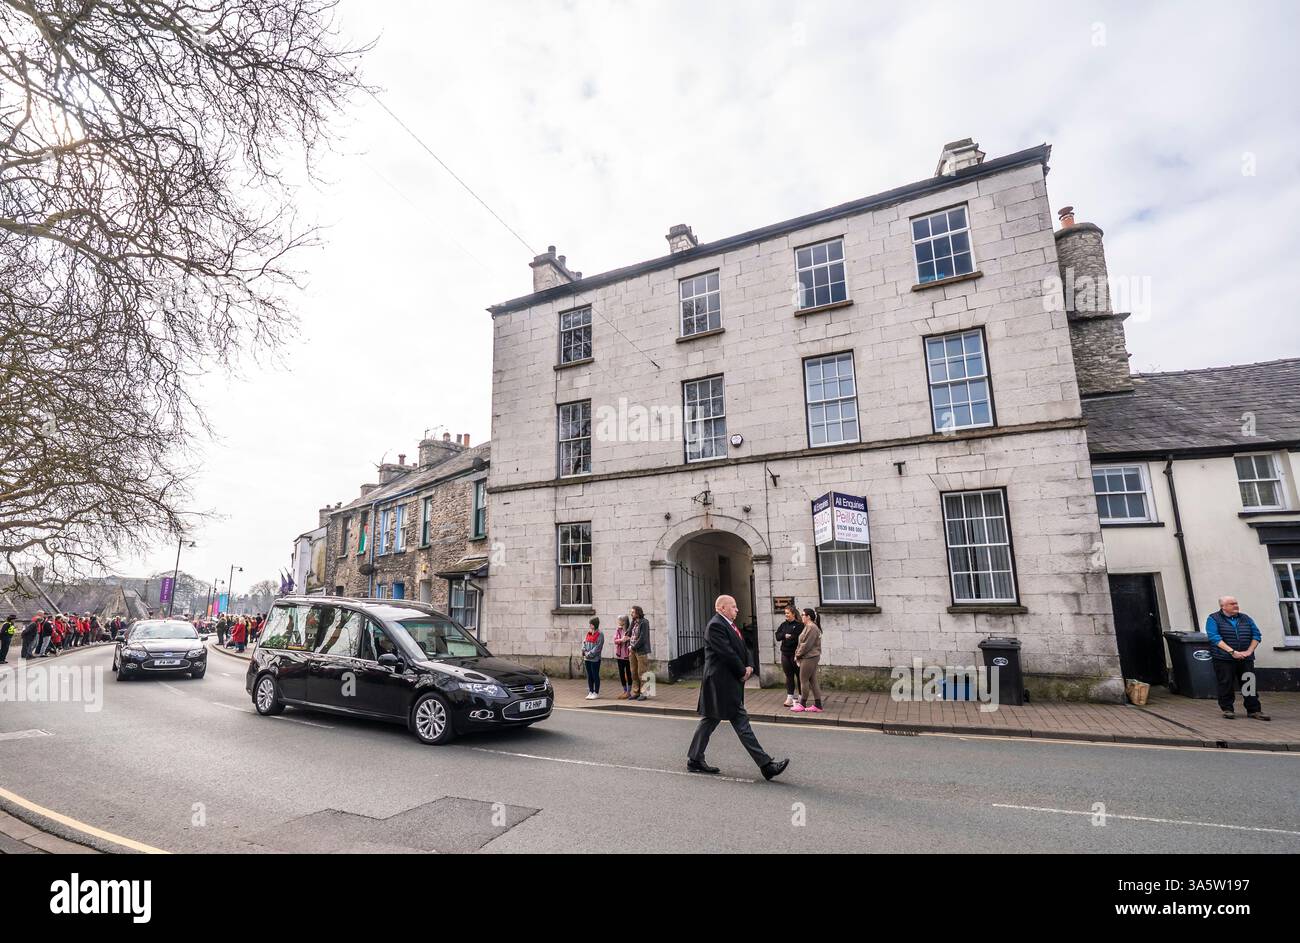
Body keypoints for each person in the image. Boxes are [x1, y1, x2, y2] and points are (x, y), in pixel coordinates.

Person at [687, 594, 789, 781]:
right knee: (741, 723)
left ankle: (694, 759)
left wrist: (750, 665)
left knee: (709, 720)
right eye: (733, 606)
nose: (737, 609)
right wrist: (742, 671)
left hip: (726, 683)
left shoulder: (731, 625)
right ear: (722, 608)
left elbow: (744, 648)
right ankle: (766, 765)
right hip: (721, 684)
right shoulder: (716, 625)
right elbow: (727, 653)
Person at [1206, 596, 1269, 721]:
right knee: (1226, 683)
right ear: (1223, 607)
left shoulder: (1245, 618)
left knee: (1249, 684)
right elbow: (1214, 637)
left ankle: (1254, 710)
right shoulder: (1213, 619)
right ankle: (1227, 709)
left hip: (1245, 657)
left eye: (1236, 603)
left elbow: (1256, 635)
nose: (1236, 605)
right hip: (1223, 658)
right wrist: (1232, 651)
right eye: (1231, 604)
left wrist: (1249, 651)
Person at [791, 608, 824, 713]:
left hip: (809, 657)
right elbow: (802, 643)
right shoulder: (809, 627)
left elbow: (806, 645)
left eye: (803, 614)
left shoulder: (811, 627)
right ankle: (818, 705)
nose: (801, 616)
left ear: (808, 616)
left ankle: (802, 704)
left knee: (803, 680)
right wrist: (798, 653)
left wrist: (797, 655)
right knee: (812, 680)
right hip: (811, 656)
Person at [775, 604, 803, 708]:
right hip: (785, 654)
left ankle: (801, 697)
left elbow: (796, 638)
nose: (786, 615)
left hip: (795, 654)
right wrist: (785, 635)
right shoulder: (783, 625)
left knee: (799, 676)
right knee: (789, 676)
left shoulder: (800, 625)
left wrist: (787, 637)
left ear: (793, 614)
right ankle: (790, 697)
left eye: (787, 613)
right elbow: (777, 636)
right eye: (785, 613)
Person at [628, 605, 652, 700]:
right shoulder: (634, 622)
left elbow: (643, 638)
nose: (631, 614)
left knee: (642, 672)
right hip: (633, 651)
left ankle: (644, 693)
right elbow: (629, 633)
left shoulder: (644, 622)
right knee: (633, 672)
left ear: (638, 612)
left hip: (641, 650)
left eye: (633, 612)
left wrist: (633, 647)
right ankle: (636, 692)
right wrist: (631, 624)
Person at [581, 617, 604, 699]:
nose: (590, 625)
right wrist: (584, 650)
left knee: (595, 675)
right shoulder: (588, 633)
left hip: (595, 659)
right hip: (587, 658)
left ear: (595, 624)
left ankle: (596, 692)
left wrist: (589, 654)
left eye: (591, 624)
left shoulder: (600, 634)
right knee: (589, 675)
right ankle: (590, 691)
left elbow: (598, 647)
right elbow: (584, 642)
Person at [613, 615, 633, 699]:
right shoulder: (618, 630)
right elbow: (615, 640)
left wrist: (629, 639)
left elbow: (634, 639)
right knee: (621, 673)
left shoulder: (630, 630)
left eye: (620, 620)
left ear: (624, 622)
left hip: (628, 656)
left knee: (629, 673)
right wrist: (621, 640)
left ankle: (629, 692)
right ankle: (624, 691)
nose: (618, 622)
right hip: (620, 655)